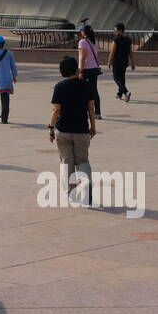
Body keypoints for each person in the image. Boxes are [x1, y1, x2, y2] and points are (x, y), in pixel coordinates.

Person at [49, 56, 97, 204]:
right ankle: (86, 181)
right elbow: (91, 108)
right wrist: (93, 126)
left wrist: (51, 128)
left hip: (63, 129)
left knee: (66, 161)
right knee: (82, 160)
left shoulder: (59, 86)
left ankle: (70, 192)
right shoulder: (87, 85)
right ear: (77, 69)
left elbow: (56, 110)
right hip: (81, 129)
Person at [76, 25, 103, 117]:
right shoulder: (94, 42)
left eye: (81, 31)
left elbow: (82, 57)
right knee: (94, 91)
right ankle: (98, 112)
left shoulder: (82, 42)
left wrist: (81, 71)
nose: (80, 32)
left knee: (81, 91)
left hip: (86, 69)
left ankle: (83, 111)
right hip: (94, 69)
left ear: (83, 32)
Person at [108, 23, 136, 103]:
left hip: (117, 62)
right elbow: (131, 52)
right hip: (124, 62)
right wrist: (133, 63)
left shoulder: (116, 40)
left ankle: (126, 92)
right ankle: (119, 94)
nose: (114, 32)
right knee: (122, 78)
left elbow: (112, 52)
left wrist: (109, 61)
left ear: (120, 30)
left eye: (115, 30)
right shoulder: (128, 39)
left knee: (116, 78)